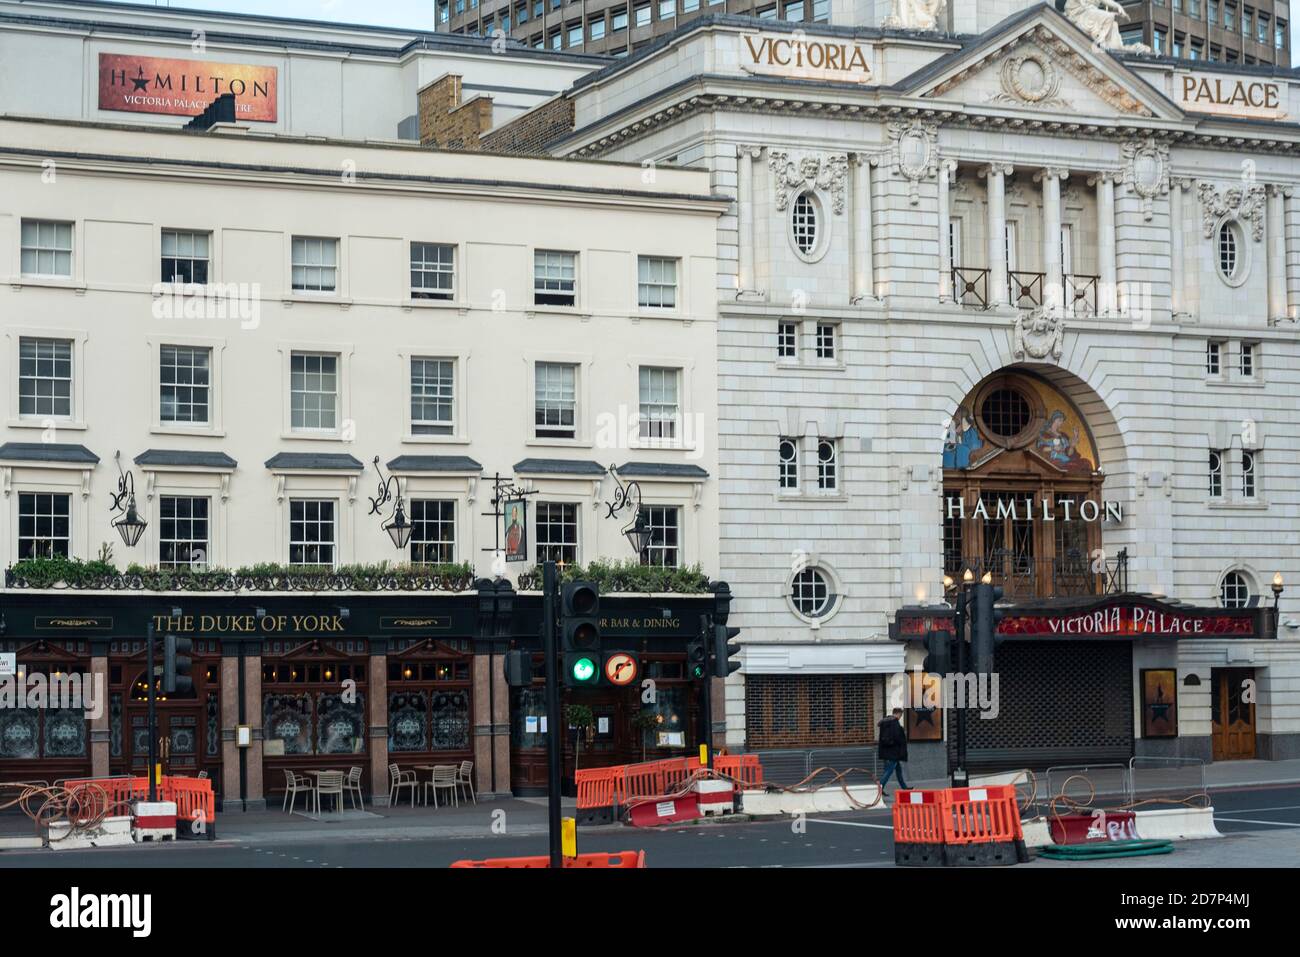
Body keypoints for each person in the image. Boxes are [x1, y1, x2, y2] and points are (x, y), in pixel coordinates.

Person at [877, 707, 910, 793]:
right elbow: (896, 738)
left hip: (888, 752)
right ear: (898, 714)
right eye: (901, 715)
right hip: (893, 752)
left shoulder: (886, 722)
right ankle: (879, 788)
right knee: (888, 771)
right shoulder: (893, 723)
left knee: (898, 770)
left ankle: (904, 787)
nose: (900, 717)